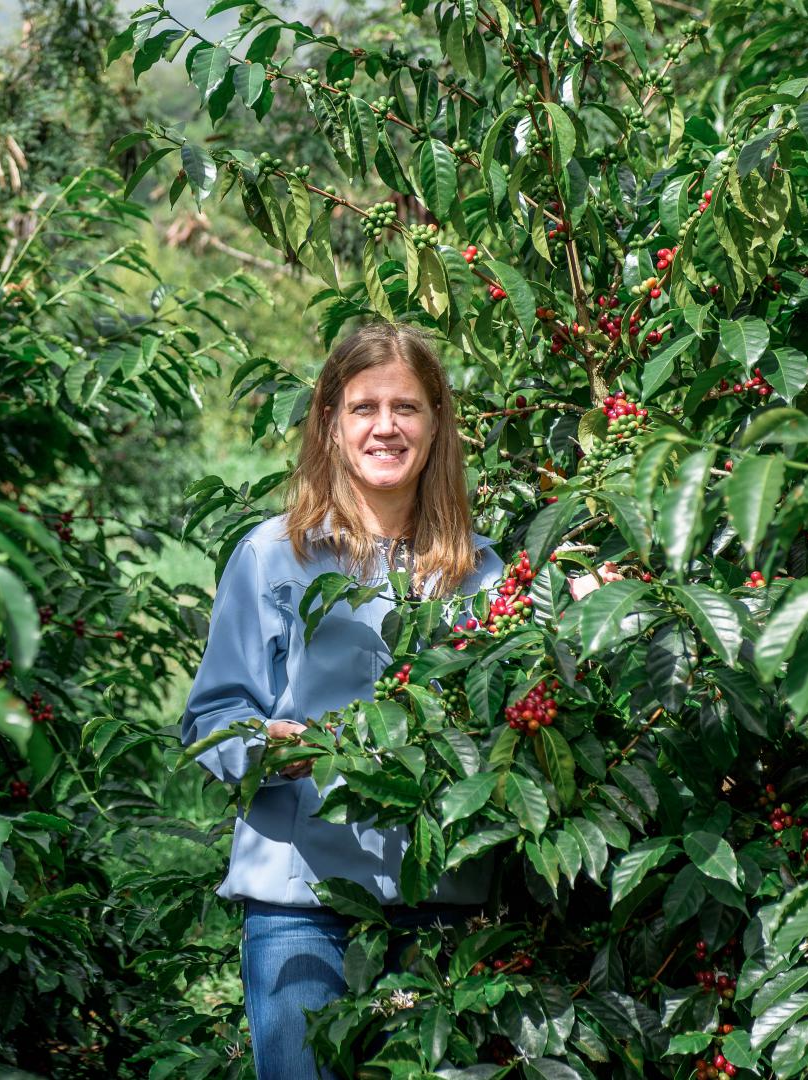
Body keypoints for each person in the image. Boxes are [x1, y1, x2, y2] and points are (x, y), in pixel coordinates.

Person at [180, 323, 506, 1079]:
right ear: (330, 422)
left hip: (444, 905)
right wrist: (265, 746)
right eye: (363, 407)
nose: (384, 427)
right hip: (303, 904)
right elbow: (211, 717)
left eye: (406, 408)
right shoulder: (272, 557)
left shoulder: (485, 578)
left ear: (436, 424)